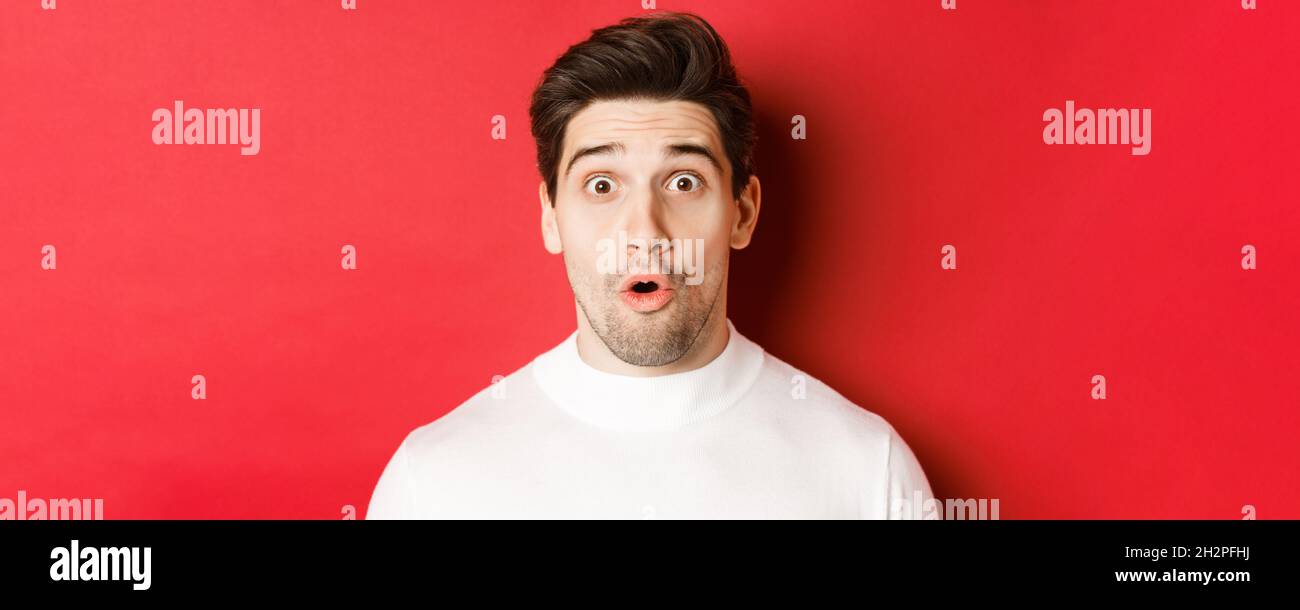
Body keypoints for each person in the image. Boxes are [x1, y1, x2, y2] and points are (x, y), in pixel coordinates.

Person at [367, 11, 935, 519]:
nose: (644, 231)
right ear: (550, 216)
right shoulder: (433, 483)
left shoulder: (867, 473)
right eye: (602, 184)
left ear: (742, 213)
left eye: (683, 182)